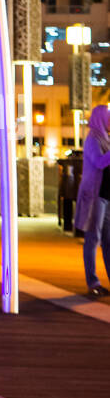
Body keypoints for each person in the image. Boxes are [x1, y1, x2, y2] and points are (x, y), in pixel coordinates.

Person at [73, 103, 110, 298]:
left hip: (106, 197)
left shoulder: (105, 138)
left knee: (108, 240)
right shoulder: (93, 140)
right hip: (95, 196)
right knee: (93, 239)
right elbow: (98, 162)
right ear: (100, 119)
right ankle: (92, 281)